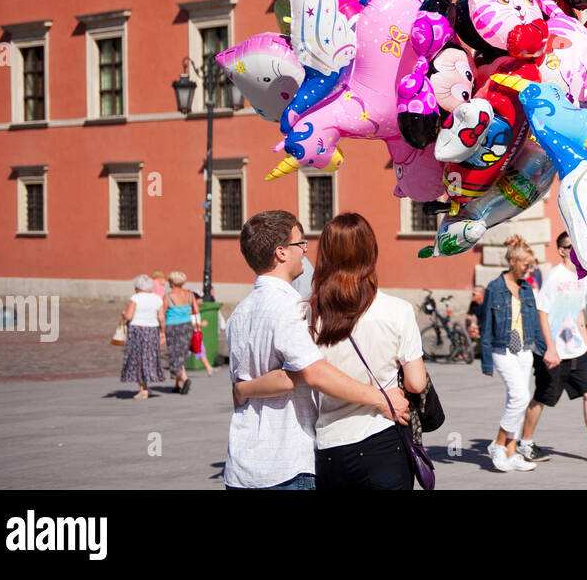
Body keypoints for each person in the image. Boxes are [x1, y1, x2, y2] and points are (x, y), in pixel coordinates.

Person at [224, 210, 405, 491]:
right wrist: (381, 399)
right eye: (300, 244)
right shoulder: (290, 308)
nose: (306, 251)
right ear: (281, 253)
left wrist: (243, 389)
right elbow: (313, 373)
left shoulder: (239, 313)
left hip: (242, 465)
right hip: (284, 463)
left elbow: (253, 380)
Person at [517, 233, 587, 463]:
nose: (576, 250)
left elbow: (578, 313)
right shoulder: (555, 277)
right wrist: (550, 348)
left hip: (577, 350)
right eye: (570, 246)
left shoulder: (582, 276)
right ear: (562, 251)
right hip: (552, 352)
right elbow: (542, 314)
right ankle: (525, 443)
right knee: (543, 398)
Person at [480, 236, 546, 473]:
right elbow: (486, 326)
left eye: (531, 265)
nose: (529, 269)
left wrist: (545, 352)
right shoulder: (494, 288)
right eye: (525, 265)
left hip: (525, 350)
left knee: (516, 399)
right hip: (502, 350)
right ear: (513, 261)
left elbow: (536, 325)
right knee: (520, 397)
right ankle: (498, 444)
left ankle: (511, 451)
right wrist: (486, 361)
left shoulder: (527, 288)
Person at [120, 274, 165, 399]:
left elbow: (129, 316)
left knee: (138, 358)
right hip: (152, 330)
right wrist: (162, 332)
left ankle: (143, 388)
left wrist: (123, 314)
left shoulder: (136, 298)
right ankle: (145, 385)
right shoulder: (157, 298)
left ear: (138, 287)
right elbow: (161, 317)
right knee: (149, 357)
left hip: (137, 330)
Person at [163, 271, 199, 394]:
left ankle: (185, 378)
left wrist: (161, 331)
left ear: (172, 282)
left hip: (173, 326)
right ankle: (177, 384)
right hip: (187, 326)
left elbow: (162, 315)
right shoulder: (189, 294)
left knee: (174, 354)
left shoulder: (168, 296)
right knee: (182, 353)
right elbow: (196, 310)